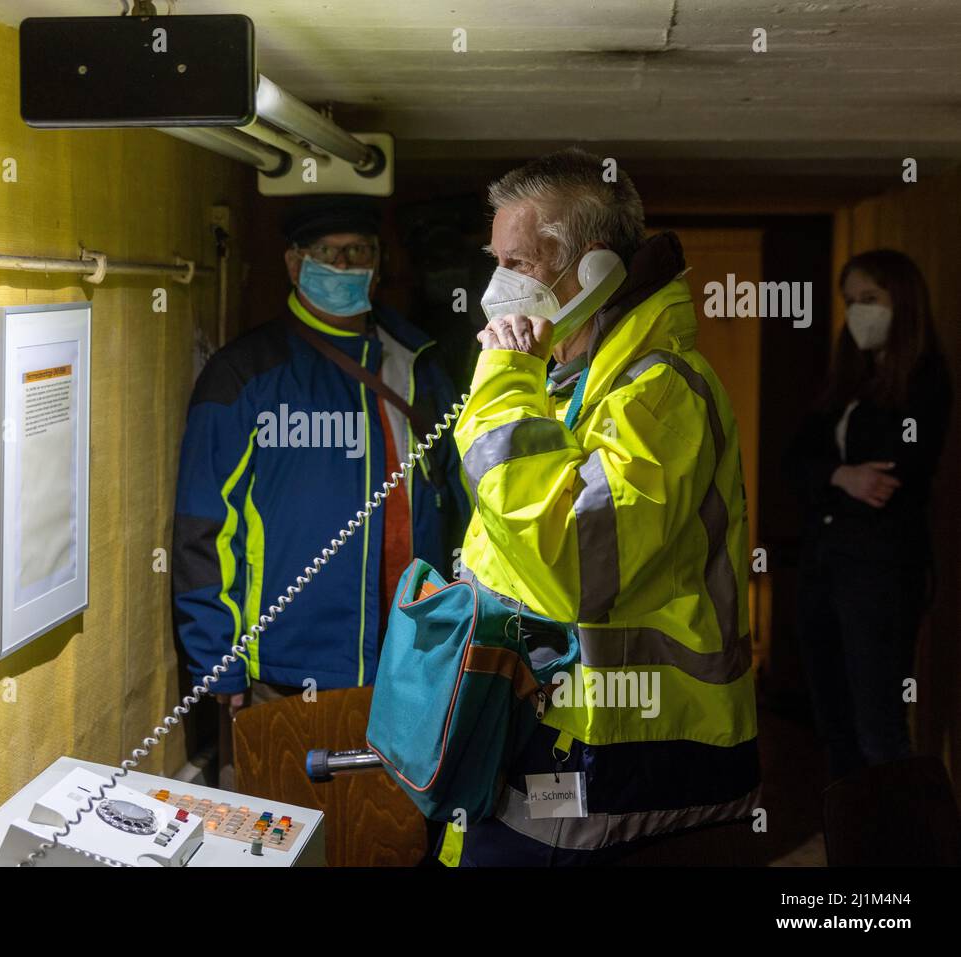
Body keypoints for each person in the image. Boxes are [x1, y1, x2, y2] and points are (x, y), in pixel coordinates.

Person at [449, 147, 760, 866]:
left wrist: (500, 383)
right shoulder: (567, 380)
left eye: (519, 263)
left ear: (591, 270)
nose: (499, 286)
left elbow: (569, 563)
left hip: (630, 755)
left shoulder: (660, 393)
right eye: (496, 262)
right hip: (554, 733)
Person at [172, 196, 470, 787]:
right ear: (293, 263)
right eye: (325, 253)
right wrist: (216, 661)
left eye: (357, 251)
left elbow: (460, 499)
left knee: (392, 832)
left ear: (379, 263)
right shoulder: (245, 374)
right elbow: (204, 528)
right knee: (283, 823)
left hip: (412, 660)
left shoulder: (418, 365)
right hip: (285, 665)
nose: (343, 264)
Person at [786, 249, 952, 782]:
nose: (858, 311)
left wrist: (835, 475)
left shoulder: (923, 379)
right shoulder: (847, 379)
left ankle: (900, 845)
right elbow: (794, 462)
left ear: (900, 301)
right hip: (822, 565)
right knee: (833, 724)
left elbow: (889, 474)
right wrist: (839, 476)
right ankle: (851, 841)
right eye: (850, 301)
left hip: (880, 572)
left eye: (870, 299)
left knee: (878, 726)